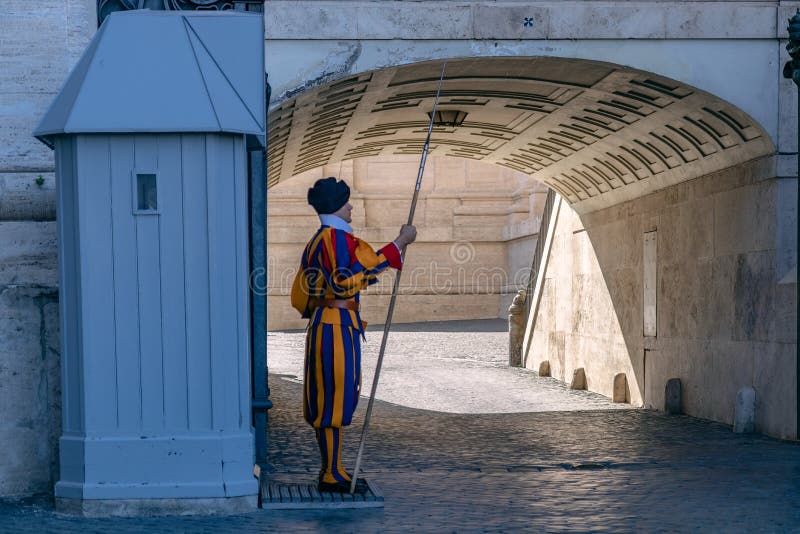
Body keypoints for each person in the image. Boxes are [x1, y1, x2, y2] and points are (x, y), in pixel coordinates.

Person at [290, 176, 417, 493]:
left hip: (333, 321)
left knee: (335, 395)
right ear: (335, 205)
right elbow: (346, 280)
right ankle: (331, 473)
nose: (351, 206)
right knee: (334, 397)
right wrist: (399, 243)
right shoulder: (333, 240)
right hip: (334, 323)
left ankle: (334, 468)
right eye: (346, 201)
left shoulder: (324, 240)